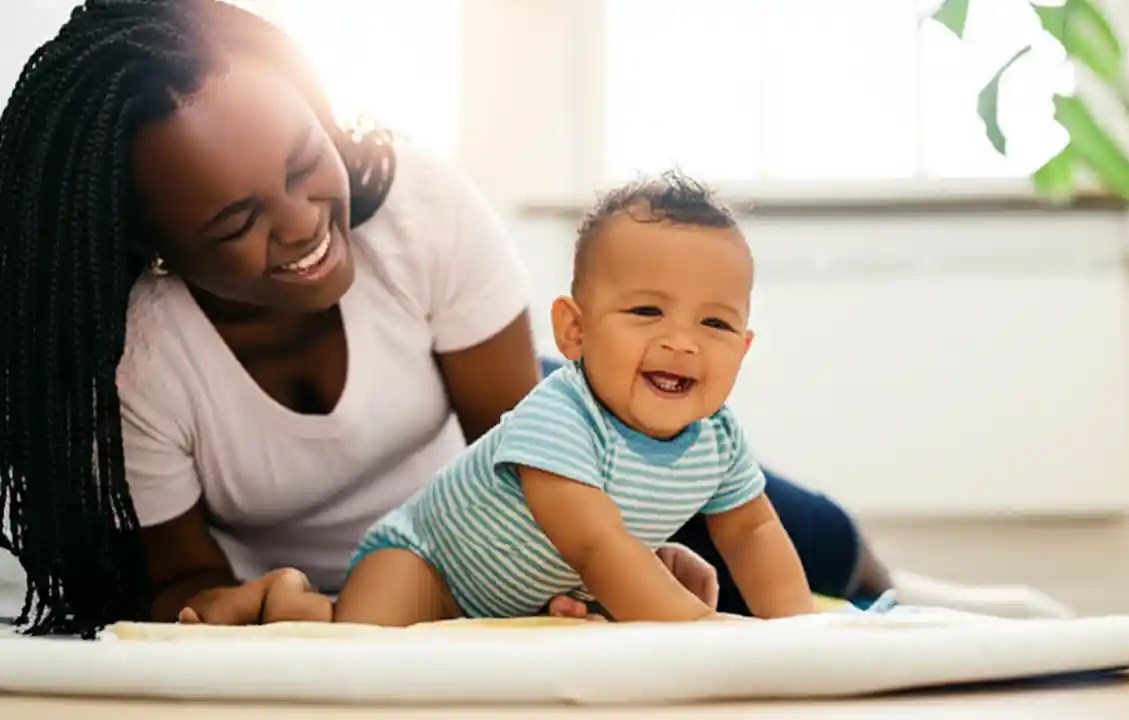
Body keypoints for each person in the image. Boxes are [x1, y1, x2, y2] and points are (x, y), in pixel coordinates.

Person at [0, 0, 1068, 638]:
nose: (301, 227)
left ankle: (904, 591)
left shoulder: (415, 211)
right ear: (151, 245)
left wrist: (572, 588)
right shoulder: (143, 356)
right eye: (238, 218)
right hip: (398, 570)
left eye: (301, 163)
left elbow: (547, 458)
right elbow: (182, 585)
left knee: (787, 532)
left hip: (538, 502)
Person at [318, 173, 814, 626]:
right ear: (574, 330)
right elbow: (595, 545)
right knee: (368, 649)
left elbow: (753, 534)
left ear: (743, 348)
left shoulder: (718, 438)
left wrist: (800, 631)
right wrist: (700, 630)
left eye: (715, 323)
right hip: (428, 566)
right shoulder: (561, 416)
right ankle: (294, 603)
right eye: (647, 311)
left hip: (532, 598)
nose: (682, 343)